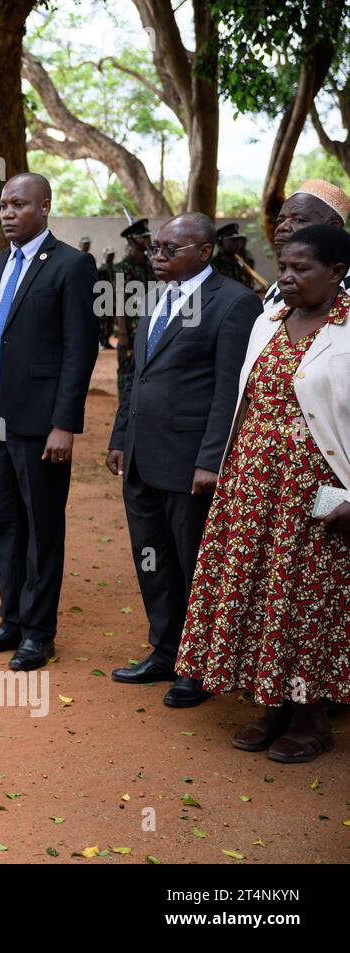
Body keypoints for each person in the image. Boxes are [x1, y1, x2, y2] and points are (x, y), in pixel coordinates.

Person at [176, 225, 350, 763]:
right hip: (254, 481)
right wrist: (228, 473)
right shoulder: (267, 321)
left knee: (306, 598)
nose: (288, 277)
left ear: (337, 273)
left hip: (321, 486)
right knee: (258, 591)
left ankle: (310, 717)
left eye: (303, 268)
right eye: (284, 267)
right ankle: (271, 705)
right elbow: (245, 400)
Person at [106, 213, 262, 707]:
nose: (157, 256)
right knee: (152, 559)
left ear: (204, 251)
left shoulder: (234, 303)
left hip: (189, 462)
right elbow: (138, 375)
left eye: (170, 250)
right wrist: (119, 437)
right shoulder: (157, 297)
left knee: (193, 563)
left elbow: (228, 391)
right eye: (156, 248)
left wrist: (211, 460)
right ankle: (165, 650)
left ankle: (198, 667)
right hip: (141, 456)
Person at [0, 173, 100, 671]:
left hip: (41, 424)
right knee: (7, 524)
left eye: (19, 204)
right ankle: (11, 620)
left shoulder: (73, 265)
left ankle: (39, 633)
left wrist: (65, 423)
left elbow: (80, 349)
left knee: (42, 526)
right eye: (3, 204)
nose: (9, 212)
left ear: (45, 207)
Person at [260, 180, 350, 312]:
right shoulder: (276, 291)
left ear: (333, 227)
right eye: (280, 220)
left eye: (299, 220)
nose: (282, 227)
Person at [114, 220, 155, 397]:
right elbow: (118, 301)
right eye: (143, 237)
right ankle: (124, 404)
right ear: (132, 241)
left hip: (149, 325)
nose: (148, 240)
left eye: (148, 236)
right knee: (127, 370)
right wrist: (123, 333)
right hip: (130, 329)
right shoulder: (123, 267)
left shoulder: (150, 264)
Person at [211, 223, 258, 292]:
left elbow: (250, 284)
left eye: (239, 240)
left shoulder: (244, 261)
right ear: (220, 243)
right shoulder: (214, 265)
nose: (237, 244)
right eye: (233, 240)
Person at [96, 248, 117, 349]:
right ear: (105, 255)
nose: (111, 256)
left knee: (111, 321)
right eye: (109, 255)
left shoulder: (115, 268)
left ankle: (107, 340)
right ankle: (101, 340)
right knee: (102, 321)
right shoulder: (101, 269)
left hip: (113, 299)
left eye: (112, 254)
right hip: (103, 299)